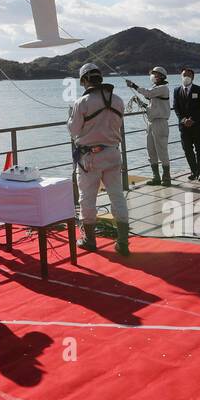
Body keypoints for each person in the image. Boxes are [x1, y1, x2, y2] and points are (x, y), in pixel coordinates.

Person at [69, 61, 130, 257]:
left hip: (90, 157)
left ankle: (89, 240)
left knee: (87, 198)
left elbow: (73, 130)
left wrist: (71, 118)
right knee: (117, 196)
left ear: (85, 80)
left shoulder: (82, 103)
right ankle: (122, 242)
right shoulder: (118, 100)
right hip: (113, 152)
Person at [125, 65, 172, 186]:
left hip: (160, 122)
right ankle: (156, 177)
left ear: (162, 77)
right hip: (152, 123)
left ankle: (166, 178)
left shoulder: (163, 88)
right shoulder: (156, 89)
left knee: (162, 150)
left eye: (156, 74)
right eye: (153, 74)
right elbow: (151, 103)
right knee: (151, 150)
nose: (153, 76)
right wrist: (141, 103)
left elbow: (149, 93)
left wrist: (133, 85)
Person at [173, 67, 200, 181]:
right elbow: (176, 107)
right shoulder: (177, 90)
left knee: (199, 148)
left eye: (188, 75)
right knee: (187, 149)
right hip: (184, 126)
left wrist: (192, 119)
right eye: (184, 75)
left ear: (193, 77)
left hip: (198, 124)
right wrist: (184, 120)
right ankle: (194, 171)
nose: (185, 77)